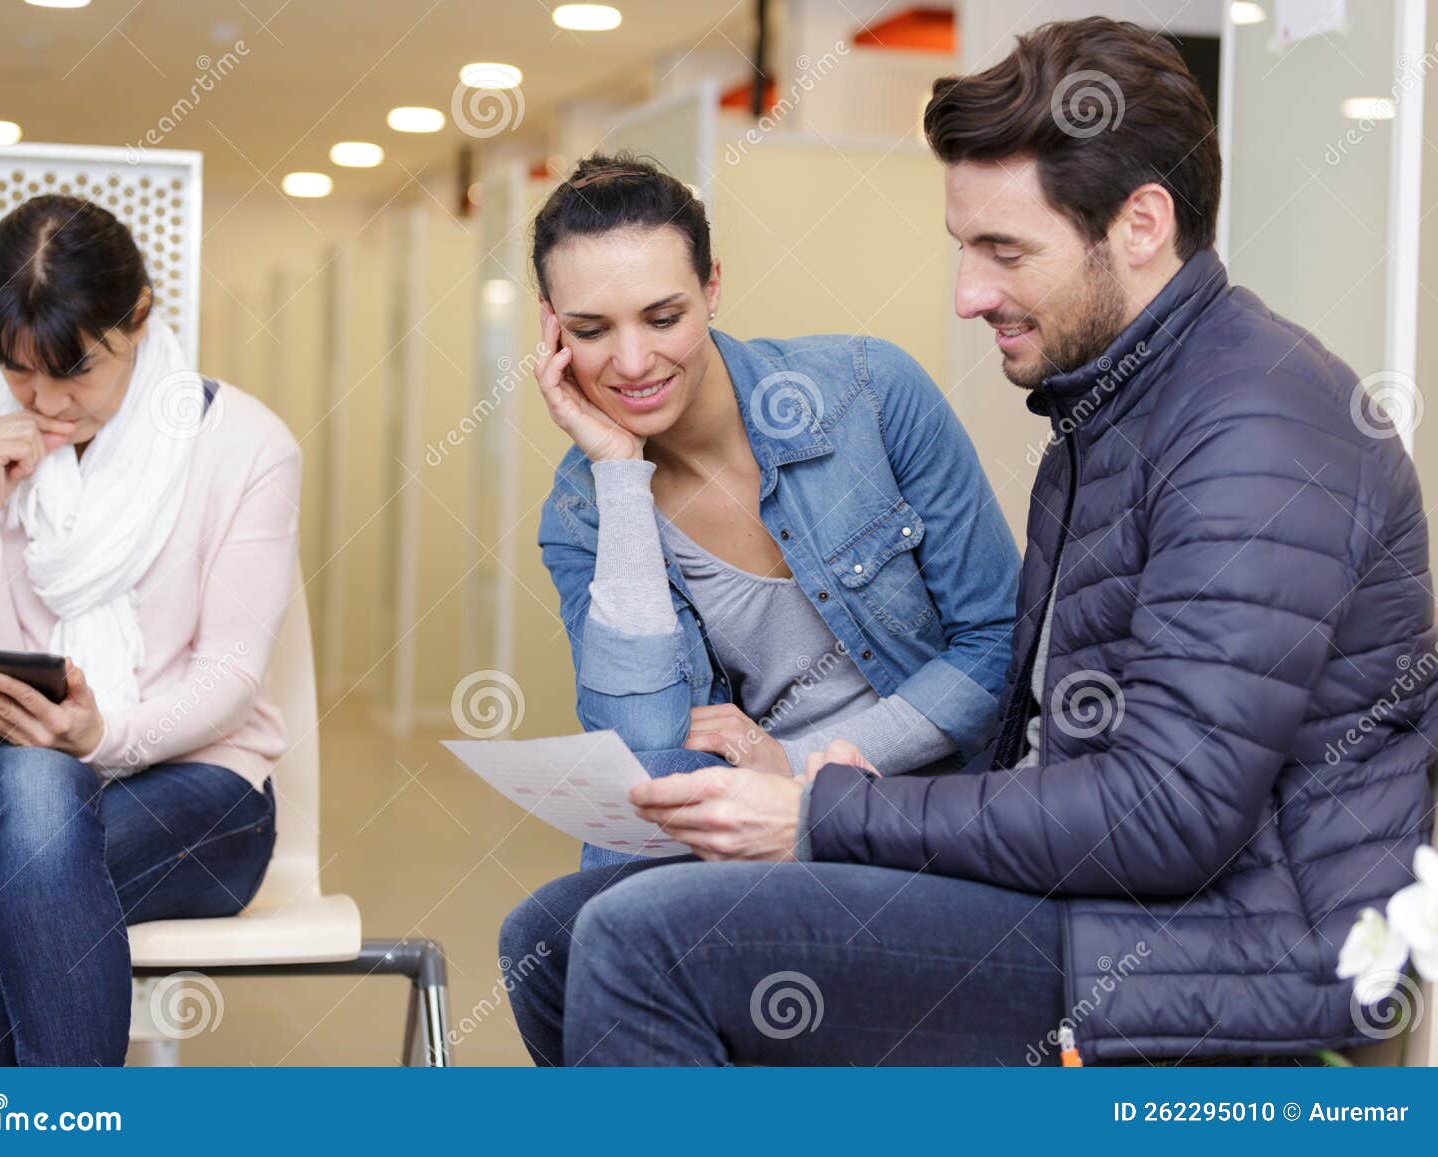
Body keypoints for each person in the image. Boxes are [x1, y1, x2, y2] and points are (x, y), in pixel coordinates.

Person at [501, 18, 1435, 1066]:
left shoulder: (1255, 429)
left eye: (1004, 251)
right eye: (965, 248)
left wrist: (826, 811)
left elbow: (1168, 812)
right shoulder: (1116, 405)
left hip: (1222, 952)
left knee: (643, 944)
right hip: (1094, 898)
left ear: (1139, 224)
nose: (968, 294)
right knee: (553, 937)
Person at [530, 153, 1020, 874]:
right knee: (549, 920)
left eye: (663, 318)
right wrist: (620, 474)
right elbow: (643, 747)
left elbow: (998, 641)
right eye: (591, 330)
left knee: (608, 919)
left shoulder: (869, 394)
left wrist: (794, 769)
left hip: (926, 804)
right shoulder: (583, 513)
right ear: (552, 327)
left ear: (712, 286)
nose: (632, 363)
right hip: (747, 830)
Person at [0, 195, 301, 1066]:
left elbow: (232, 672)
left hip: (206, 798)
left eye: (75, 369)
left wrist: (101, 737)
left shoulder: (247, 446)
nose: (47, 401)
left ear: (139, 316)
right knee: (38, 780)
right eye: (18, 370)